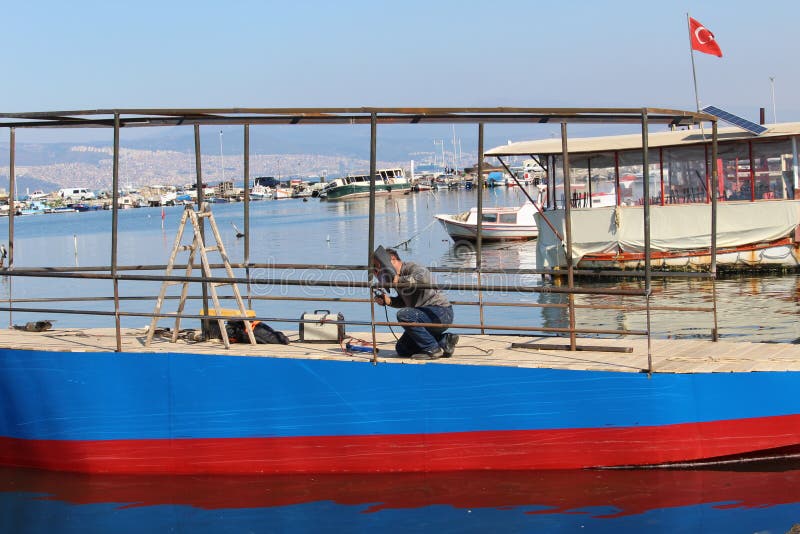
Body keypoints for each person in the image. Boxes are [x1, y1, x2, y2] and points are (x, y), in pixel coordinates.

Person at [373, 248, 458, 360]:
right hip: (423, 316)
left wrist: (399, 280)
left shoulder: (412, 267)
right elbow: (404, 302)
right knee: (402, 348)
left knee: (404, 315)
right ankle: (444, 340)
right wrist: (389, 301)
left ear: (392, 259)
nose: (379, 270)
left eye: (379, 266)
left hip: (440, 312)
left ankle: (432, 349)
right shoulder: (396, 277)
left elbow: (422, 277)